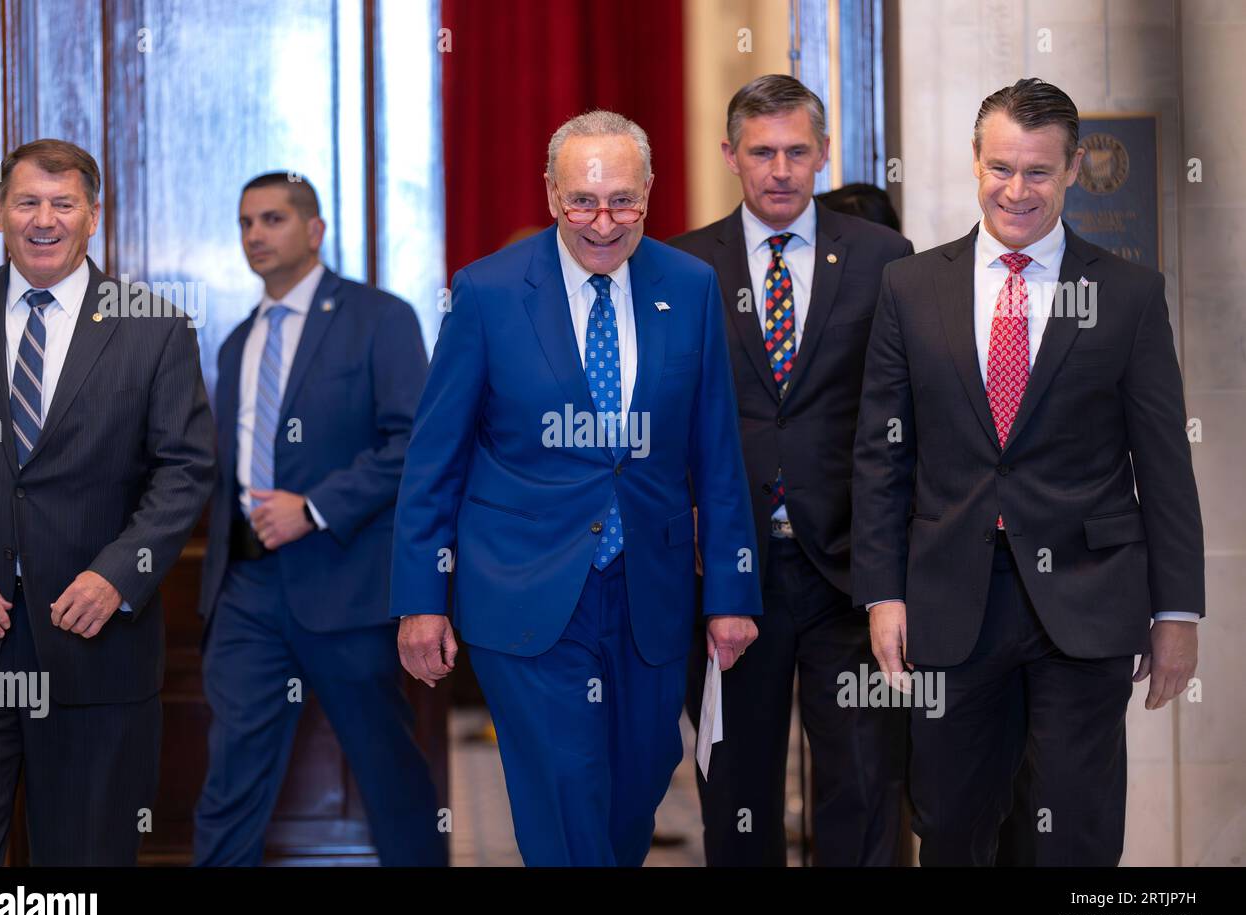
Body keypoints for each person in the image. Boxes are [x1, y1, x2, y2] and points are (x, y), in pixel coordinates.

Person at [391, 110, 762, 866]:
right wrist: (421, 599)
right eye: (582, 201)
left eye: (623, 201)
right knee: (566, 787)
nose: (603, 223)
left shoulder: (689, 287)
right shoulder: (489, 292)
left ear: (652, 192)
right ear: (551, 193)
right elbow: (436, 459)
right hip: (523, 588)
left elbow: (718, 453)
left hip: (648, 594)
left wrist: (732, 594)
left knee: (635, 786)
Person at [852, 78, 1204, 866]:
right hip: (951, 598)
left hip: (1088, 598)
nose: (1017, 190)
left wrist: (1177, 612)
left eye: (1039, 172)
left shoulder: (1128, 295)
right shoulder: (911, 288)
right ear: (975, 161)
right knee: (947, 821)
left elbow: (1165, 465)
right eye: (1001, 167)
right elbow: (882, 452)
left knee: (1074, 828)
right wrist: (883, 592)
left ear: (1074, 168)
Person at [0, 138, 215, 865]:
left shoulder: (153, 325)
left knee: (84, 863)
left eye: (63, 204)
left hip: (97, 642)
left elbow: (186, 470)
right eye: (28, 202)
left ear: (93, 217)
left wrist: (118, 574)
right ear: (1, 213)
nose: (45, 219)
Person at [671, 74, 912, 866]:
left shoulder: (884, 257)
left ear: (825, 153)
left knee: (864, 785)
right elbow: (666, 423)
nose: (780, 169)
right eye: (762, 152)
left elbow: (905, 413)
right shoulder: (680, 268)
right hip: (728, 577)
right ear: (730, 156)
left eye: (797, 151)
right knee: (737, 791)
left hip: (851, 569)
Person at [194, 173, 443, 866]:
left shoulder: (378, 317)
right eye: (245, 222)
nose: (254, 235)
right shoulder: (238, 342)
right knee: (231, 777)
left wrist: (315, 507)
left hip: (345, 585)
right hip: (245, 590)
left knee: (387, 770)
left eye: (272, 219)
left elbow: (412, 444)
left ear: (314, 230)